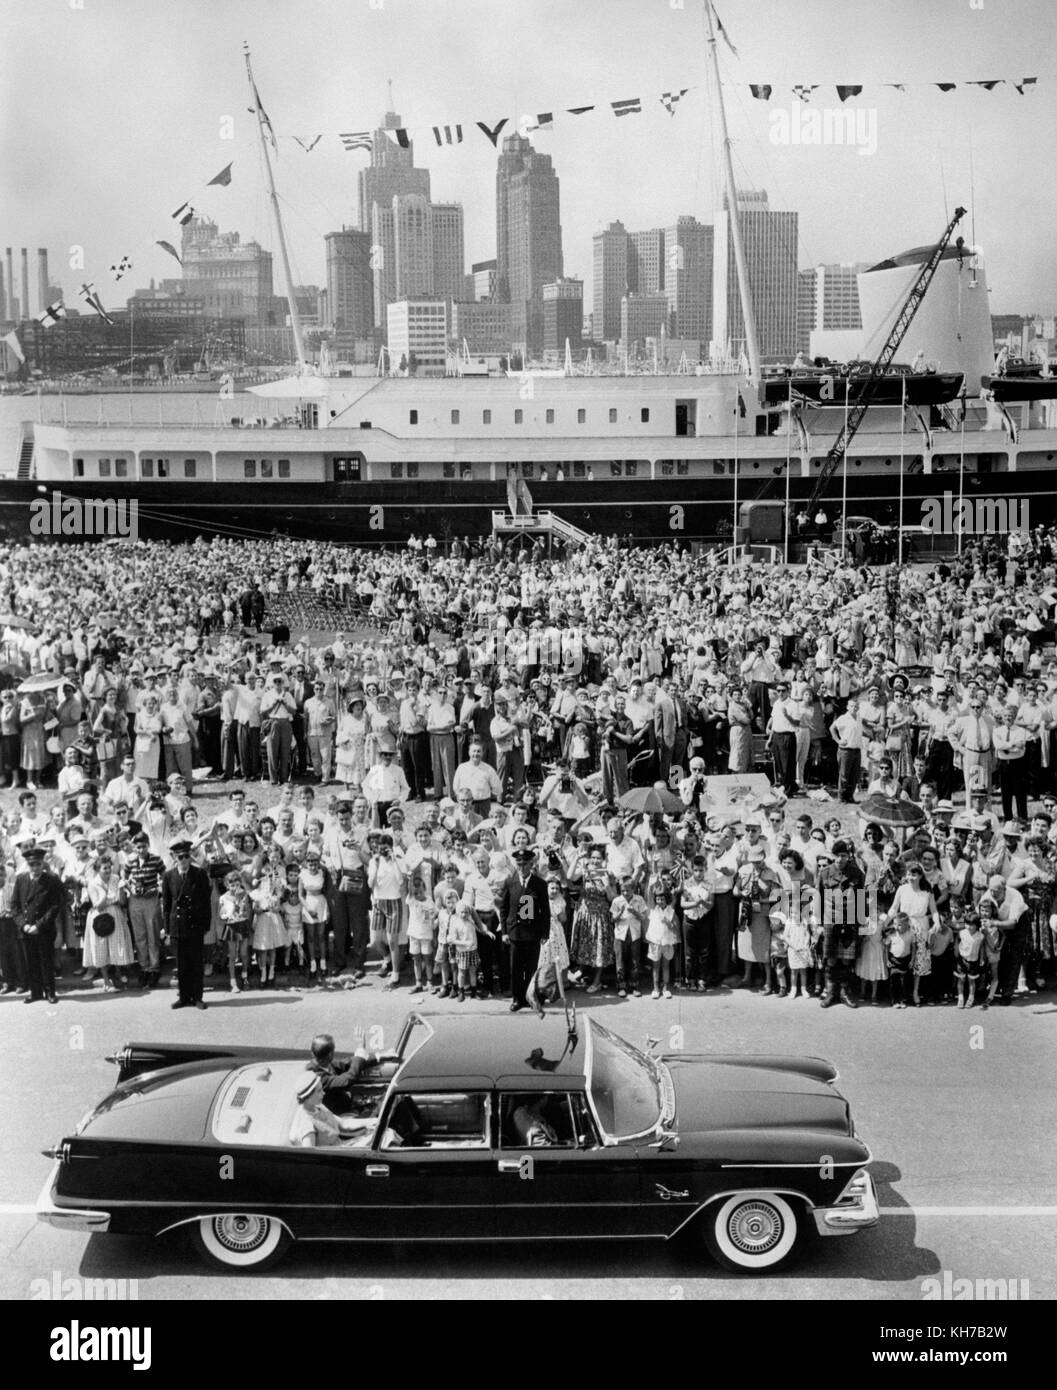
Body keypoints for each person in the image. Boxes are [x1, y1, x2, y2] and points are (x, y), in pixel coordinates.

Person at [161, 839, 212, 1009]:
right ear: (174, 857)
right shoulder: (168, 876)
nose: (183, 860)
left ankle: (198, 998)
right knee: (181, 965)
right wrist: (167, 930)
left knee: (196, 963)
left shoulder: (199, 874)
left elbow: (206, 902)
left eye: (186, 856)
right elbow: (167, 905)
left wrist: (206, 925)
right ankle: (183, 997)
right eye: (179, 857)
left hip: (195, 924)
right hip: (178, 926)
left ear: (189, 856)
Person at [501, 845, 550, 1012]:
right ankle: (517, 998)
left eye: (525, 864)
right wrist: (504, 932)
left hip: (532, 934)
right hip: (514, 933)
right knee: (515, 968)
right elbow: (504, 909)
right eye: (519, 864)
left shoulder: (540, 884)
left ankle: (531, 997)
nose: (522, 868)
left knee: (531, 968)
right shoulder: (510, 882)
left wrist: (545, 933)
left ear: (531, 865)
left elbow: (545, 910)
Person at [12, 845, 64, 1003]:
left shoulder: (51, 880)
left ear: (43, 864)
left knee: (45, 961)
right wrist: (24, 925)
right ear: (27, 865)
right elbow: (15, 905)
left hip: (44, 929)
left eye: (38, 864)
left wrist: (38, 926)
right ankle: (35, 993)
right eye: (31, 864)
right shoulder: (21, 879)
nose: (35, 867)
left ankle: (50, 992)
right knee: (31, 962)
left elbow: (55, 906)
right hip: (26, 929)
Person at [306, 1028, 397, 1115]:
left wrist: (380, 1056)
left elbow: (349, 1062)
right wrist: (360, 1049)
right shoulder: (316, 1076)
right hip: (341, 1113)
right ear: (330, 1055)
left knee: (388, 1099)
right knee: (388, 1105)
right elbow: (348, 1079)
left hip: (348, 1101)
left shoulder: (323, 1063)